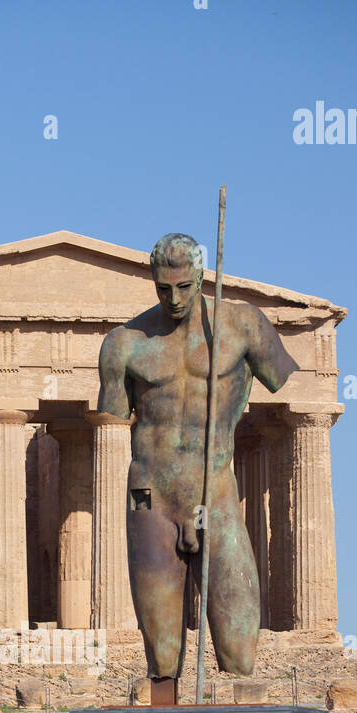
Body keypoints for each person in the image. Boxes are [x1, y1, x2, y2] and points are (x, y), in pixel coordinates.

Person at [98, 231, 298, 683]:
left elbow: (279, 378)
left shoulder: (244, 327)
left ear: (203, 277)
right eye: (163, 288)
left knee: (238, 646)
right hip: (150, 495)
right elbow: (114, 417)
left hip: (215, 492)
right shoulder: (123, 344)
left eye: (184, 287)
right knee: (163, 656)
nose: (174, 298)